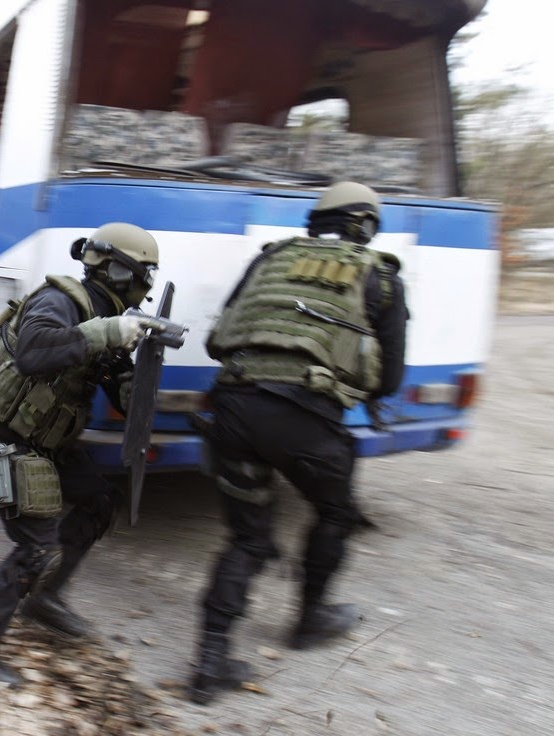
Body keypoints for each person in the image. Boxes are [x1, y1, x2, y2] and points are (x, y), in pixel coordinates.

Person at [188, 181, 408, 705]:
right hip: (304, 419)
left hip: (234, 408)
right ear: (365, 225)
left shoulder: (270, 260)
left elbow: (220, 335)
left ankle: (209, 663)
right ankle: (310, 617)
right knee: (336, 512)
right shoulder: (378, 276)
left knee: (247, 538)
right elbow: (391, 378)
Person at [0, 222, 160, 686]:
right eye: (145, 275)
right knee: (36, 545)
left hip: (44, 442)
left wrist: (137, 376)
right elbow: (34, 353)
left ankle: (45, 599)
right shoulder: (60, 300)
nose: (145, 287)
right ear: (123, 271)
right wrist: (107, 332)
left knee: (100, 501)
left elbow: (120, 393)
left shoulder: (106, 316)